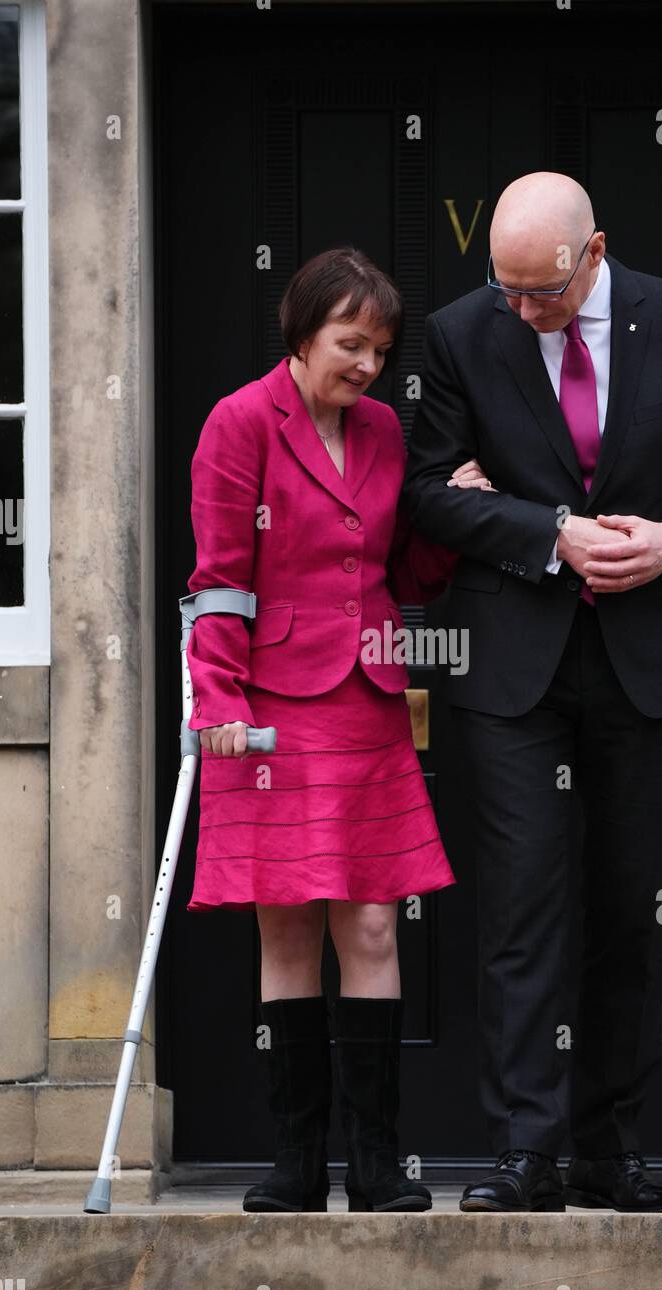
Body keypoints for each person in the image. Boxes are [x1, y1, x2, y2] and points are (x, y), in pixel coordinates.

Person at [402, 172, 662, 1214]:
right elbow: (425, 492)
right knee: (521, 912)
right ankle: (525, 1153)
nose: (524, 314)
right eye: (507, 292)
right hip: (513, 670)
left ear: (593, 252)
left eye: (545, 296)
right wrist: (544, 531)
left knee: (626, 916)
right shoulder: (460, 332)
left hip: (649, 664)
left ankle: (610, 1152)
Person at [184, 247, 481, 1214]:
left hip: (368, 702)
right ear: (301, 332)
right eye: (349, 343)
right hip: (265, 707)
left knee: (370, 922)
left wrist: (458, 516)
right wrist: (218, 701)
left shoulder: (389, 431)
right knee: (286, 928)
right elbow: (218, 580)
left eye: (380, 349)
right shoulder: (239, 423)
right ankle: (296, 1167)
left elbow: (407, 571)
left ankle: (379, 1166)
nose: (366, 365)